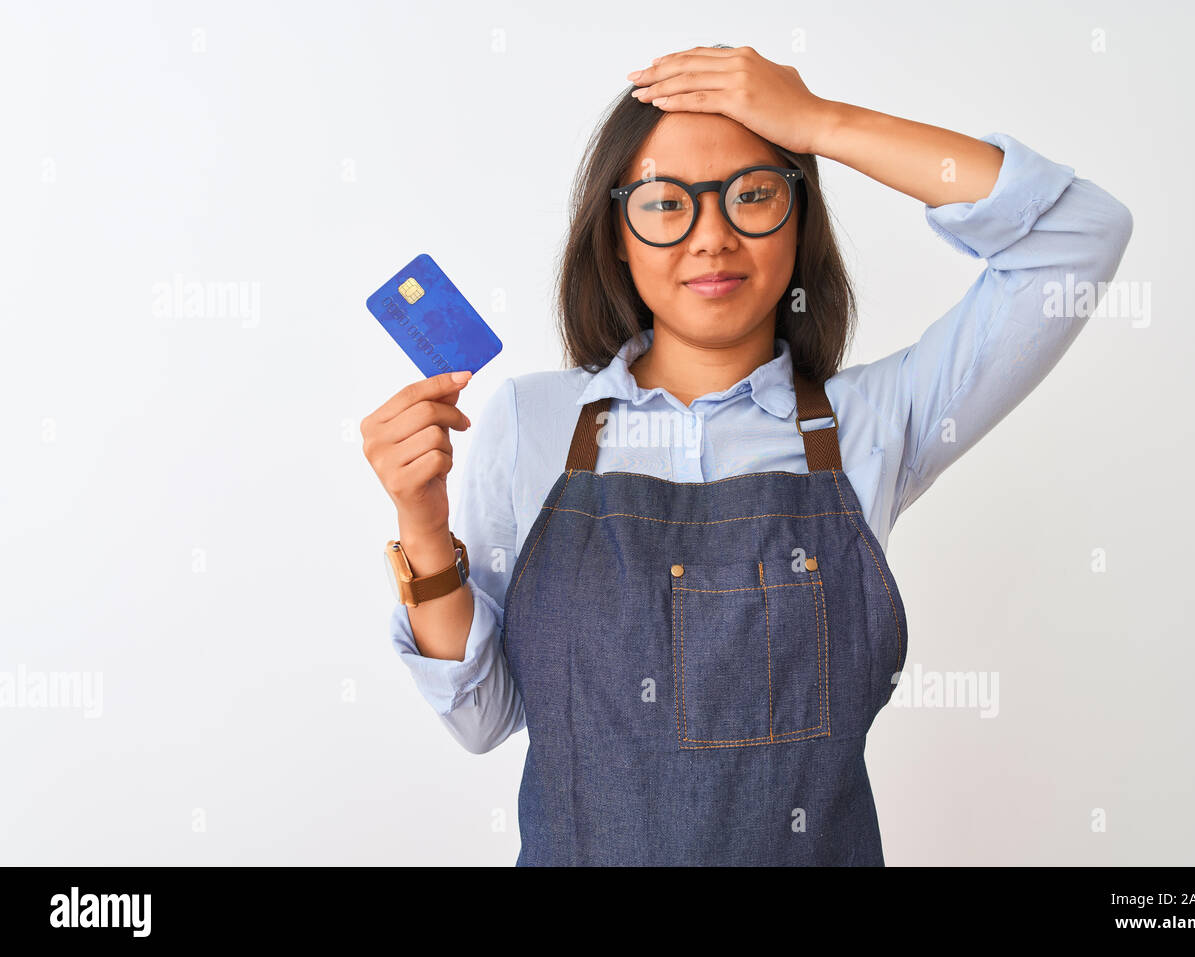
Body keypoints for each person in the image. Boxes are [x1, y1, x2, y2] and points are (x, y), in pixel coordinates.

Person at [361, 44, 1134, 866]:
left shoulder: (874, 422)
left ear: (800, 223)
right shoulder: (532, 420)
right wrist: (421, 521)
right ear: (616, 235)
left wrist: (819, 123)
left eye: (754, 194)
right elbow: (483, 718)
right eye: (665, 204)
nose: (712, 237)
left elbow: (1079, 238)